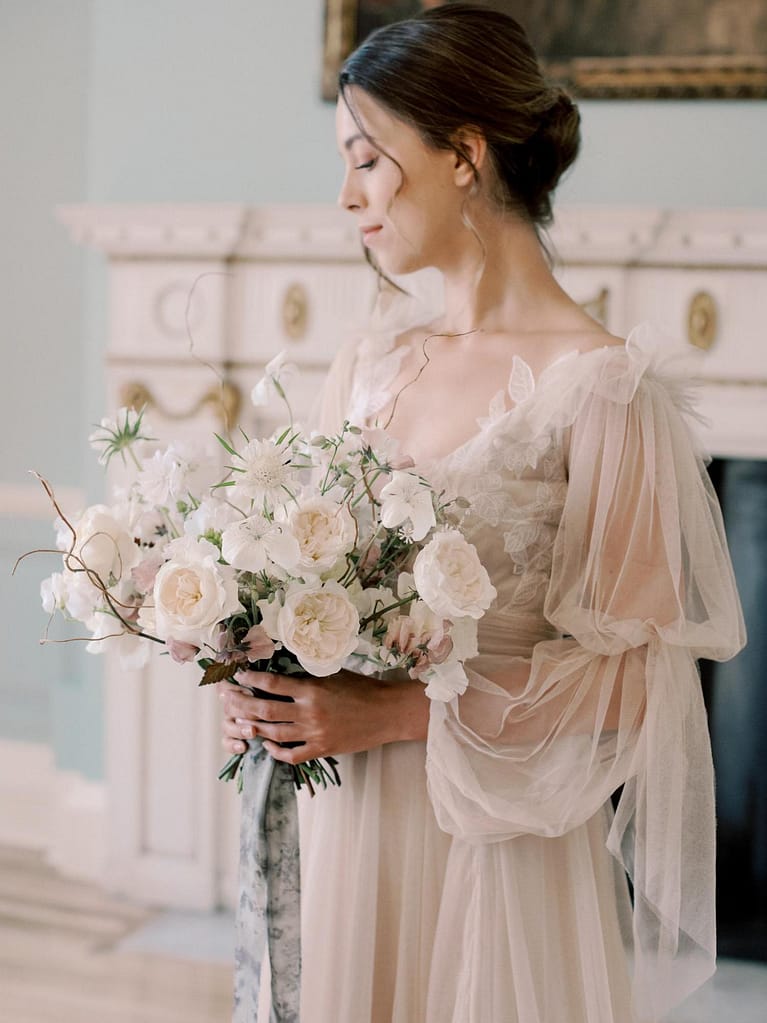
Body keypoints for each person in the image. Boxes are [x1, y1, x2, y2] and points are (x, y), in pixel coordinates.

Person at [220, 6, 745, 1021]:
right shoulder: (365, 363)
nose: (346, 197)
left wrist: (390, 715)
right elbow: (302, 578)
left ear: (462, 154)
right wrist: (256, 672)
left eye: (367, 161)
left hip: (495, 856)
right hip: (351, 826)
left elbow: (634, 689)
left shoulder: (603, 389)